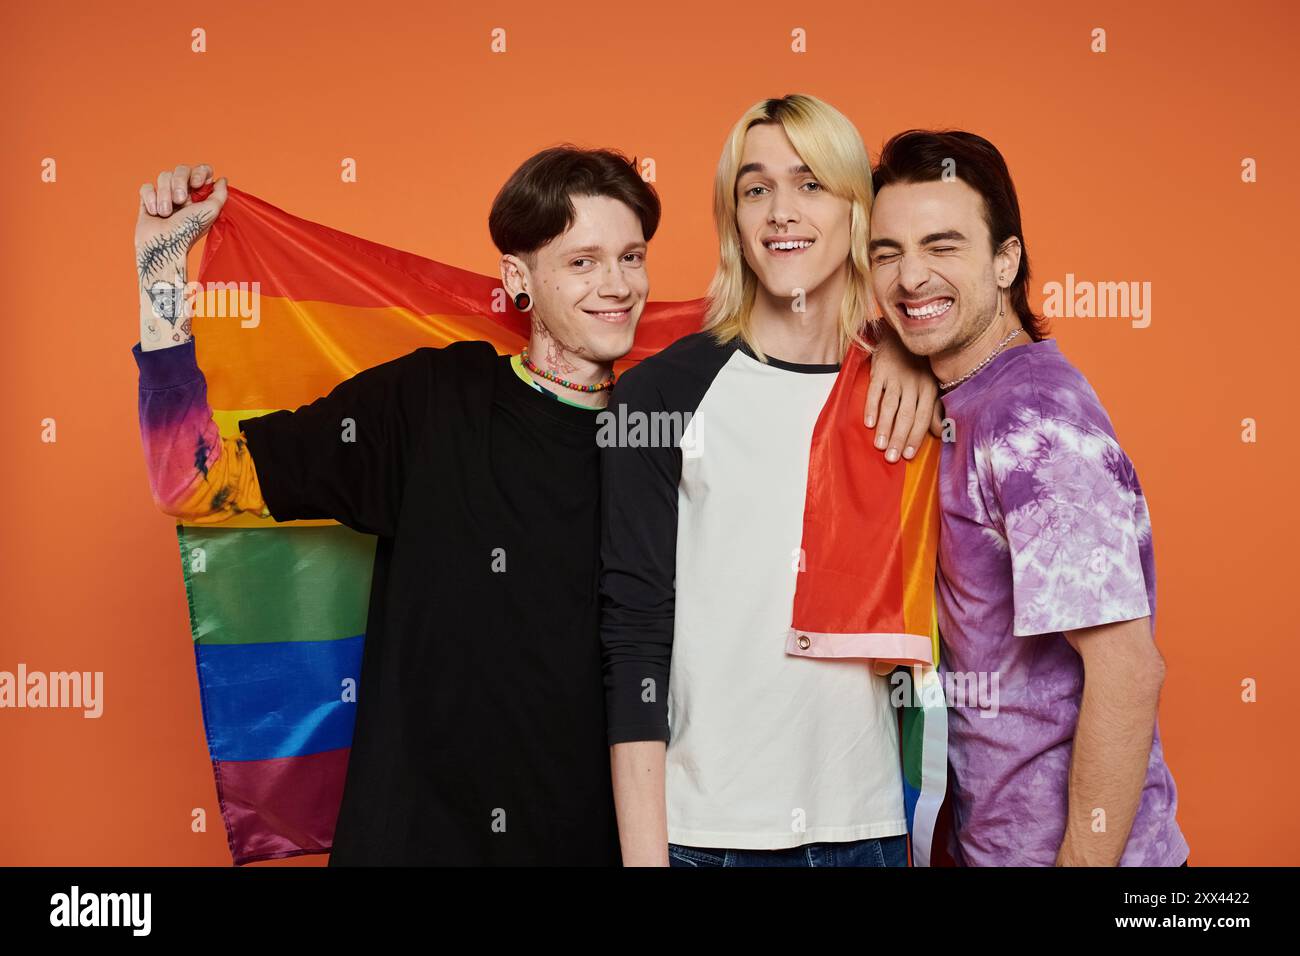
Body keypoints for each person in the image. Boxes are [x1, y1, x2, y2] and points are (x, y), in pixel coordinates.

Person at [133, 147, 931, 864]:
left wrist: (901, 350)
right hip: (414, 843)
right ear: (518, 278)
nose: (615, 286)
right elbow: (191, 480)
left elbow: (806, 333)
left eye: (630, 257)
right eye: (581, 262)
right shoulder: (432, 400)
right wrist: (161, 278)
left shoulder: (676, 415)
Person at [600, 94, 942, 868]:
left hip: (871, 830)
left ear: (858, 208)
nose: (781, 212)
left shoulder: (908, 386)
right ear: (734, 219)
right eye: (756, 189)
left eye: (810, 183)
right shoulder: (661, 395)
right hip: (704, 839)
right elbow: (632, 636)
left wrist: (899, 347)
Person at [867, 129, 1189, 866]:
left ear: (1005, 260)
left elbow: (1127, 669)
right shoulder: (965, 391)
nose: (911, 276)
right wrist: (889, 341)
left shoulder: (1031, 420)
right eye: (889, 253)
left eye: (943, 246)